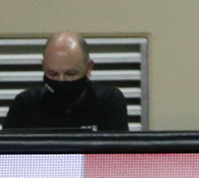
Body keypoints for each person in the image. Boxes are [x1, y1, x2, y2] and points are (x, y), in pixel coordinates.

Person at [1, 32, 130, 131]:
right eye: (53, 74)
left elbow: (118, 153)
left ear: (89, 67)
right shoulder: (26, 104)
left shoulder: (109, 101)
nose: (61, 80)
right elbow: (7, 152)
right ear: (43, 67)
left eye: (70, 74)